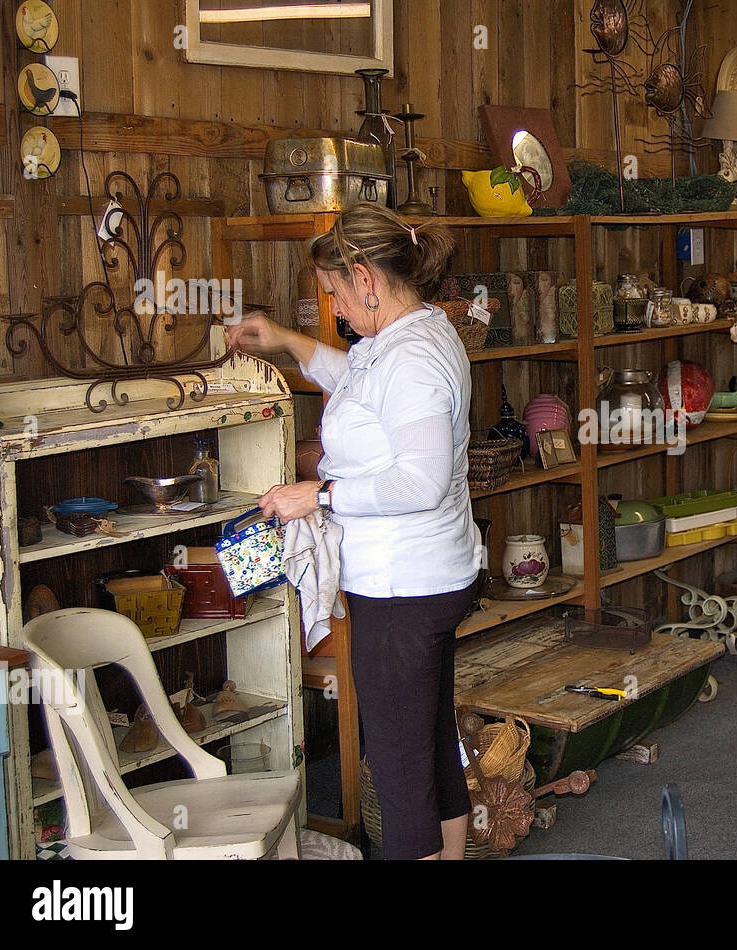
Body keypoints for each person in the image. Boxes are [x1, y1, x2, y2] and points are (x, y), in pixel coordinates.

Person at [225, 203, 481, 860]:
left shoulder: (413, 358)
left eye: (336, 292)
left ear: (366, 278)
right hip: (429, 578)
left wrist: (318, 492)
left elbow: (419, 482)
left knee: (398, 775)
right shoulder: (409, 335)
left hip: (404, 591)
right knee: (427, 746)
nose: (335, 308)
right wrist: (285, 339)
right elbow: (357, 382)